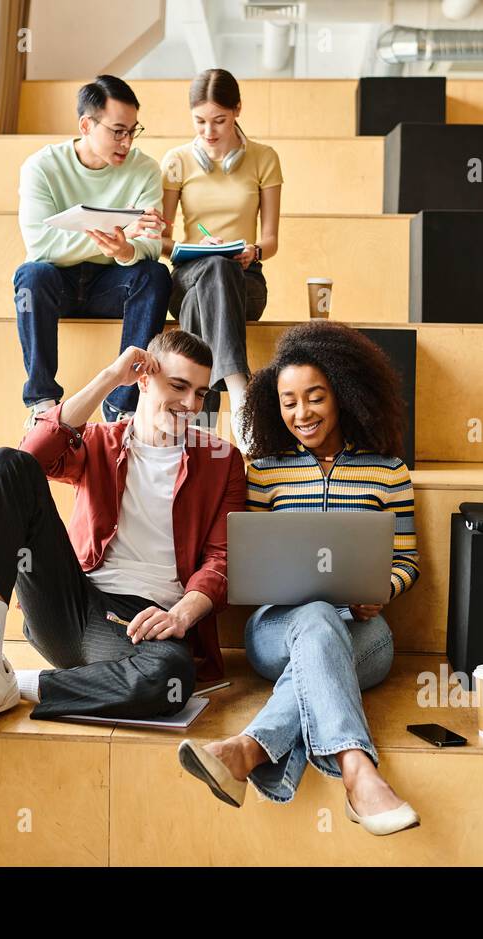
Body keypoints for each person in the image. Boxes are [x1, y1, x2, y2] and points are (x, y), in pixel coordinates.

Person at [0, 329, 246, 728]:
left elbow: (221, 558)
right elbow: (31, 456)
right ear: (143, 378)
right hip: (69, 601)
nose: (191, 404)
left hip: (143, 625)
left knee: (171, 679)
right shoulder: (98, 441)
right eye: (178, 386)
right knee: (7, 462)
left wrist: (181, 614)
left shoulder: (222, 460)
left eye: (201, 393)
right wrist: (110, 376)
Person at [176, 322, 422, 836]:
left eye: (315, 398)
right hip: (274, 632)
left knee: (321, 628)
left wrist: (383, 589)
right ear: (274, 405)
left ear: (344, 394)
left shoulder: (389, 472)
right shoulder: (264, 471)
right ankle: (357, 769)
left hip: (364, 634)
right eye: (288, 402)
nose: (301, 414)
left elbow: (407, 561)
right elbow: (251, 560)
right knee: (310, 617)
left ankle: (246, 751)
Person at [13, 74, 171, 427]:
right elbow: (41, 245)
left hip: (111, 282)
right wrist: (114, 234)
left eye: (133, 130)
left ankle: (124, 404)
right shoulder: (42, 167)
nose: (127, 142)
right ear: (86, 124)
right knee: (30, 275)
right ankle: (43, 401)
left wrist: (125, 248)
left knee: (155, 275)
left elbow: (150, 243)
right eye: (118, 131)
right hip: (58, 285)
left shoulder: (144, 169)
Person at [146, 68, 281, 450]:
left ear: (237, 110)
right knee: (211, 268)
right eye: (200, 121)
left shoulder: (264, 159)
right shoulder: (176, 161)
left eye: (219, 120)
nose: (209, 131)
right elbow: (163, 239)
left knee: (218, 274)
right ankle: (240, 390)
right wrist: (199, 250)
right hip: (187, 273)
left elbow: (270, 241)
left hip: (246, 282)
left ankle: (198, 428)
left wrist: (251, 251)